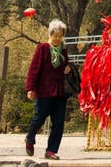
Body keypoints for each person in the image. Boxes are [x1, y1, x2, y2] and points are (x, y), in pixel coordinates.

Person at [24, 18, 71, 161]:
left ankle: (51, 150)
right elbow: (34, 69)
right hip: (44, 91)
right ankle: (30, 138)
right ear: (50, 35)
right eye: (55, 35)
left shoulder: (63, 50)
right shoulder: (43, 48)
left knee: (58, 123)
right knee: (39, 117)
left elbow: (65, 67)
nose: (57, 38)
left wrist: (68, 69)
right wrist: (31, 88)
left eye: (60, 35)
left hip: (59, 92)